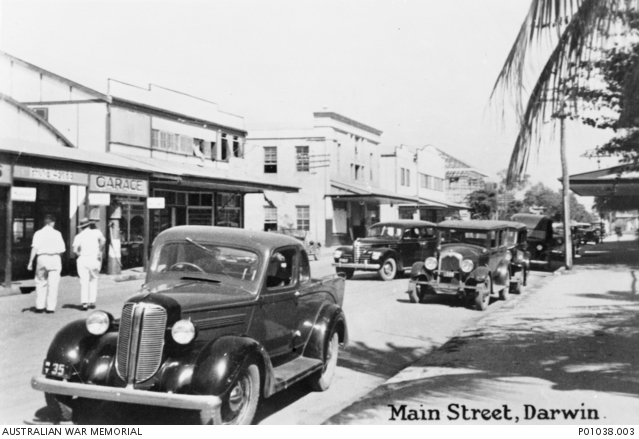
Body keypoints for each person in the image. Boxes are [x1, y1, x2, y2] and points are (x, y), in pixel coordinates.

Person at [27, 214, 66, 314]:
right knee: (53, 284)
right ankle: (50, 308)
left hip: (42, 258)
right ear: (52, 223)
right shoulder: (57, 233)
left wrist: (30, 261)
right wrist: (57, 258)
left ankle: (40, 307)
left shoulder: (38, 233)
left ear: (44, 223)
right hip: (55, 258)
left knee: (40, 282)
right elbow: (62, 249)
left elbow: (34, 248)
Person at [72, 218, 106, 310]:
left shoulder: (78, 236)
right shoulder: (96, 232)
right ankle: (92, 301)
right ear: (89, 225)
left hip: (83, 259)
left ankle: (84, 303)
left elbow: (75, 250)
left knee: (84, 281)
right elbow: (103, 240)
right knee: (93, 279)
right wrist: (100, 250)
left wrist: (80, 255)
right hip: (94, 258)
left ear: (81, 227)